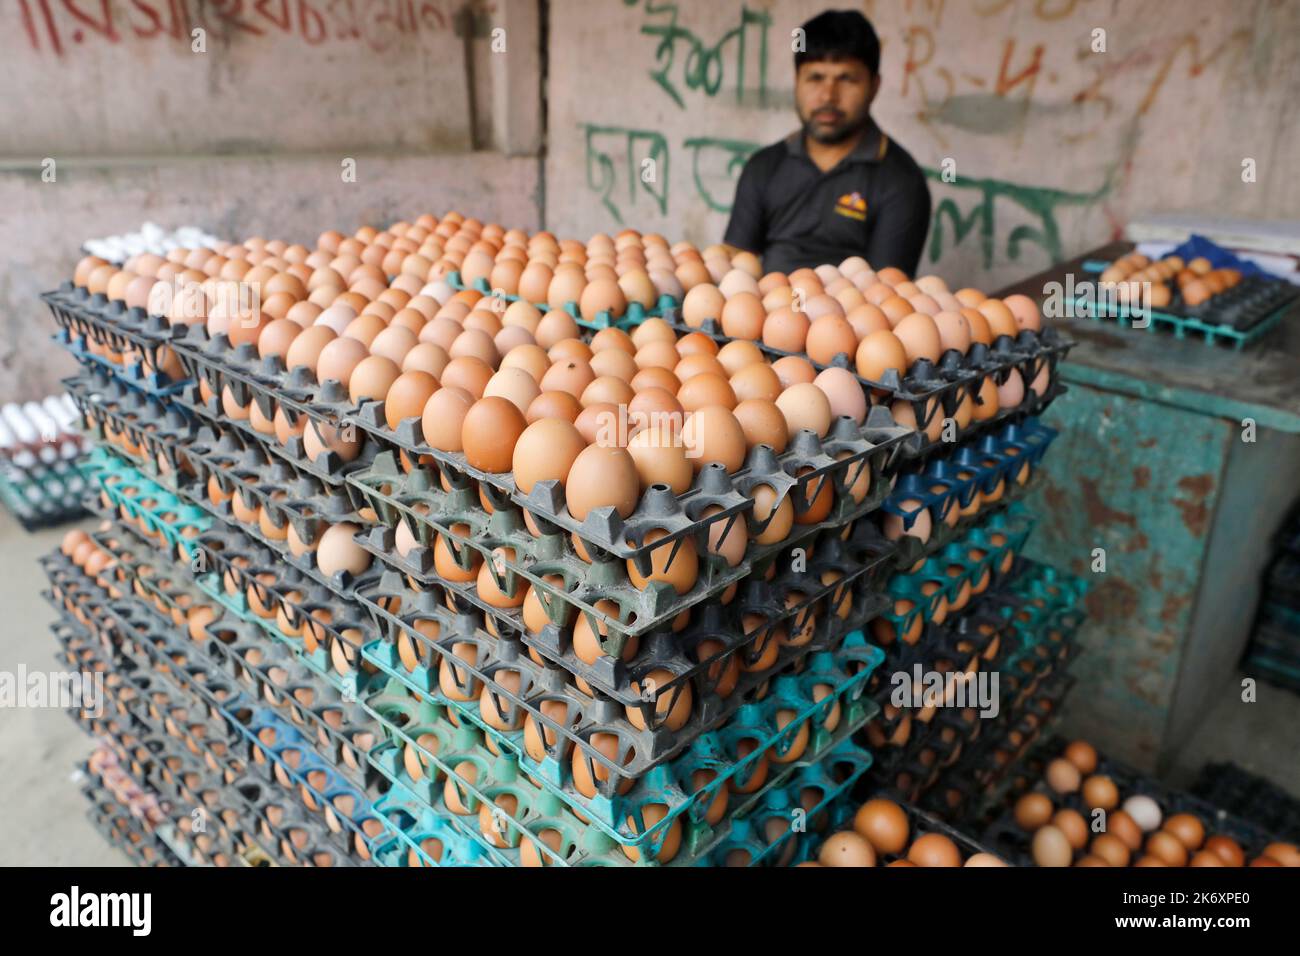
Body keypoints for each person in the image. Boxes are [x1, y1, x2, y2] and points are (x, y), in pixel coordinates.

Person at [724, 9, 931, 276]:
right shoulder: (763, 166)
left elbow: (887, 297)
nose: (828, 96)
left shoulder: (901, 181)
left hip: (850, 315)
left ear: (874, 86)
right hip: (764, 313)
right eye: (815, 77)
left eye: (846, 79)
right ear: (797, 82)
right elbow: (735, 267)